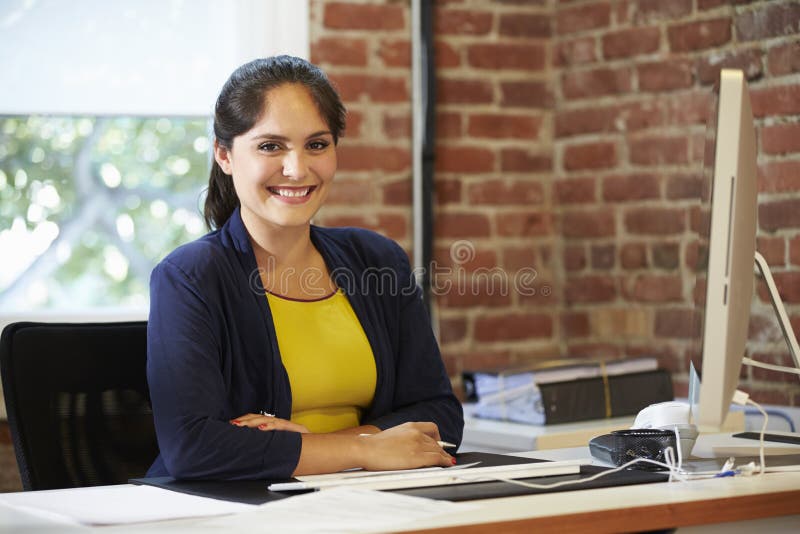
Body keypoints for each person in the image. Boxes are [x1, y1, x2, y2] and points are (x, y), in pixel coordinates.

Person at [146, 55, 463, 480]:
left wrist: (321, 448)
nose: (297, 170)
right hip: (231, 514)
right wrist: (364, 449)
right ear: (224, 154)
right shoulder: (189, 277)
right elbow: (193, 447)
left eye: (317, 144)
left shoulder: (377, 261)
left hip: (362, 503)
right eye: (270, 146)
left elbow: (440, 413)